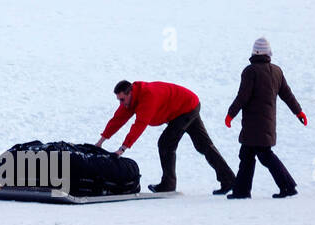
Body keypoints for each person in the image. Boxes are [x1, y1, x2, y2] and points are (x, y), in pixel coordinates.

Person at [97, 80, 235, 194]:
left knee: (166, 143)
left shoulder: (148, 96)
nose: (121, 103)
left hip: (186, 107)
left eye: (122, 99)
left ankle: (168, 184)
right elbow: (117, 119)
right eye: (119, 100)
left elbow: (139, 125)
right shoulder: (130, 99)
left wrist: (122, 149)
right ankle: (229, 180)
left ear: (130, 92)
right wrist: (100, 142)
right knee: (203, 145)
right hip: (184, 106)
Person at [225, 37, 307, 199]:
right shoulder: (277, 71)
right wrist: (299, 112)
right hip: (267, 123)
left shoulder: (250, 71)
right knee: (248, 154)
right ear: (268, 53)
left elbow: (242, 97)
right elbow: (287, 95)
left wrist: (230, 114)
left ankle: (288, 186)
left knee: (263, 155)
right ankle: (242, 191)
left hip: (253, 124)